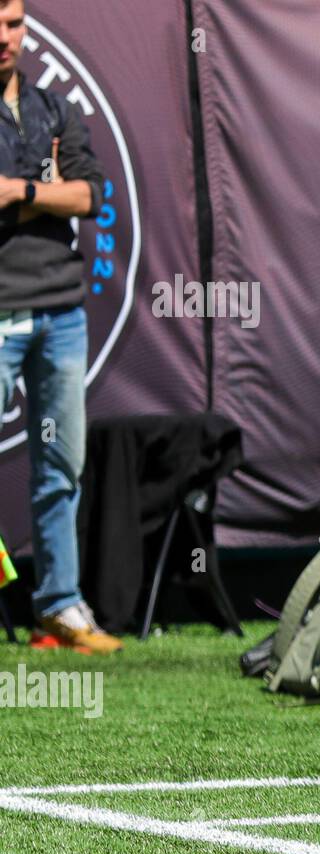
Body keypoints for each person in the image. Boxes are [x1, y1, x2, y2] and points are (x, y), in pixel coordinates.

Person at [0, 0, 119, 654]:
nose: (4, 36)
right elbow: (68, 193)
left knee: (61, 468)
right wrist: (49, 186)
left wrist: (18, 192)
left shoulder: (55, 108)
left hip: (62, 313)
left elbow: (93, 194)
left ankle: (61, 609)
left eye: (14, 22)